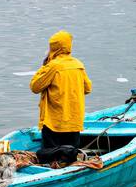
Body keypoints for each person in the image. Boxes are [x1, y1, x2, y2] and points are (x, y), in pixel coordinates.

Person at [29, 31, 92, 164]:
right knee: (70, 158)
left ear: (54, 48)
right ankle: (69, 155)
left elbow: (35, 87)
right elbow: (87, 88)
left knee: (49, 156)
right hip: (74, 121)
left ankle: (59, 155)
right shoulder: (78, 64)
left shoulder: (53, 66)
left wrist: (44, 66)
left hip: (54, 122)